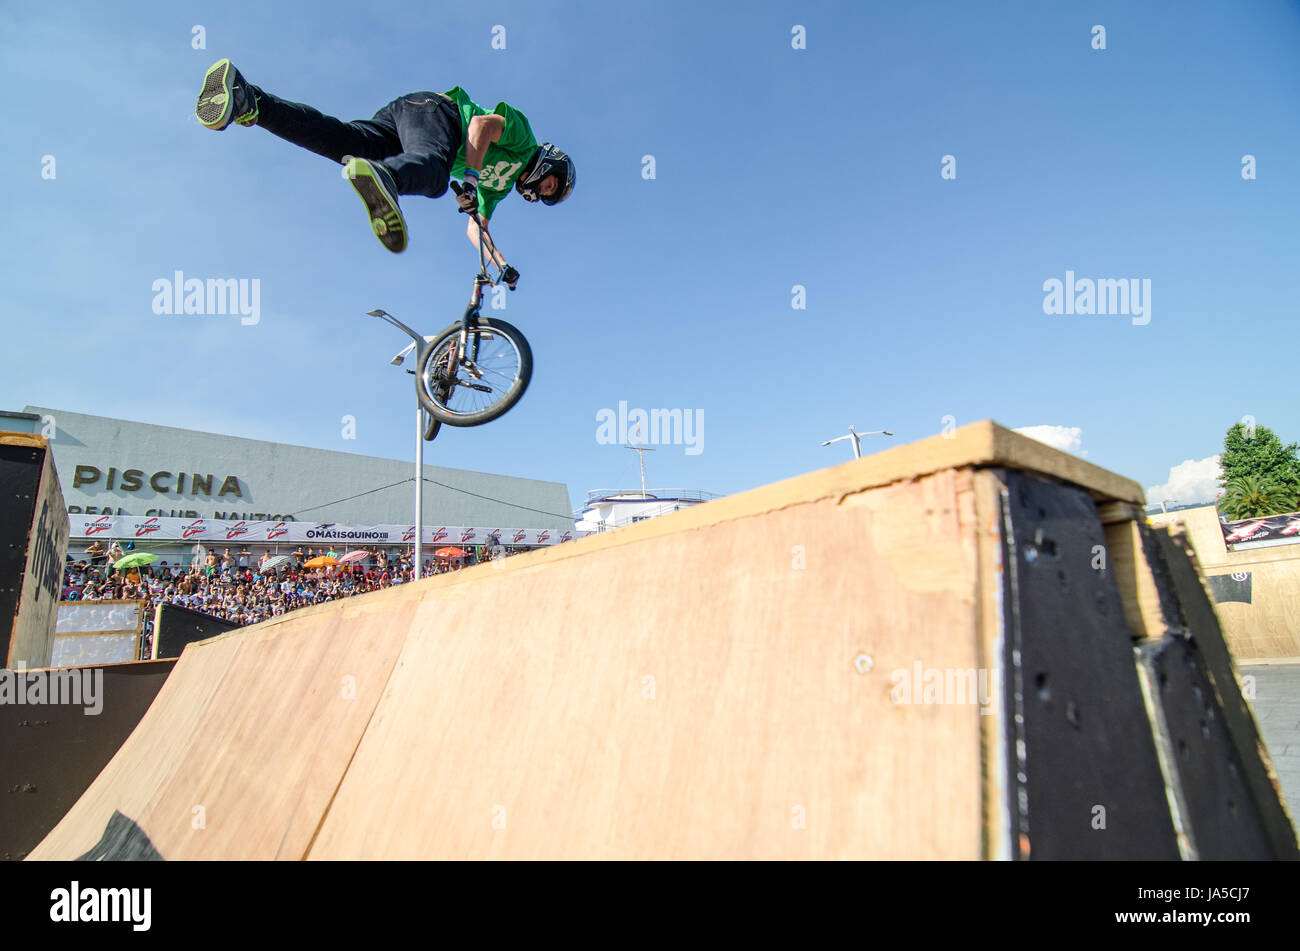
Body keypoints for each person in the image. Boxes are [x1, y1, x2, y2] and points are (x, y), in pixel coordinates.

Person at [195, 58, 575, 262]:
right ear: (550, 165)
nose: (541, 190)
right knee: (436, 173)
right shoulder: (523, 139)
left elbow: (477, 229)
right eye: (549, 184)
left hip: (403, 122)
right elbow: (479, 126)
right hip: (437, 112)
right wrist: (471, 177)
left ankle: (250, 100)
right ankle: (388, 179)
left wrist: (501, 265)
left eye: (545, 194)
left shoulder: (501, 189)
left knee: (340, 142)